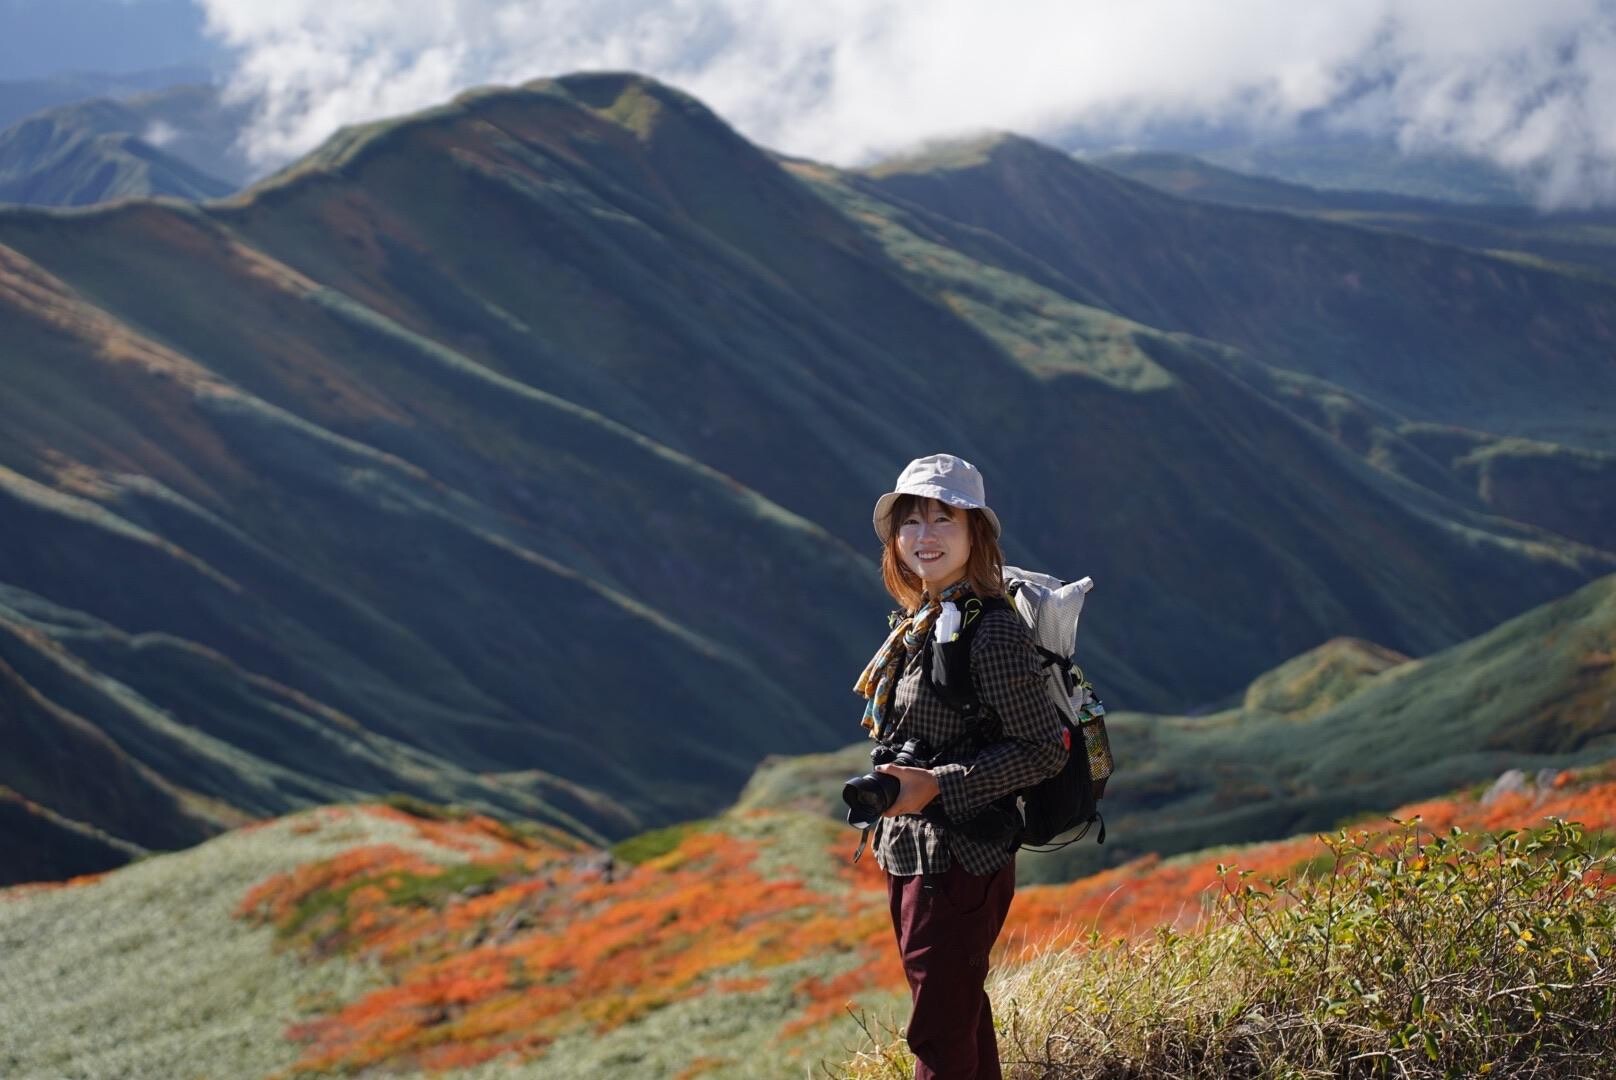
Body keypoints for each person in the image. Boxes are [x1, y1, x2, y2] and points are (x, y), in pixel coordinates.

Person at [853, 453, 1068, 1080]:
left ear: (976, 534)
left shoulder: (989, 630)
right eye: (911, 521)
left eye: (943, 519)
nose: (924, 536)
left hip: (960, 858)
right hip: (915, 850)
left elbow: (1043, 748)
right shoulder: (928, 618)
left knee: (938, 1035)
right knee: (958, 1015)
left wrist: (933, 787)